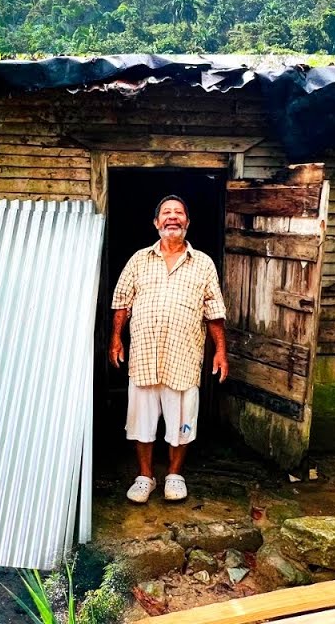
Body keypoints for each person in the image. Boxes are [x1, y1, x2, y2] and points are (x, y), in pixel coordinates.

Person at [109, 194, 227, 504]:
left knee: (181, 421)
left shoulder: (203, 263)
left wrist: (220, 351)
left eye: (178, 213)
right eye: (166, 213)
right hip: (145, 357)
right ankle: (145, 476)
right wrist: (116, 338)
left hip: (184, 357)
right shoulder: (138, 259)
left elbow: (213, 309)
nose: (172, 217)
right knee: (141, 422)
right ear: (156, 222)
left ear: (187, 222)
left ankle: (175, 475)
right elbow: (121, 302)